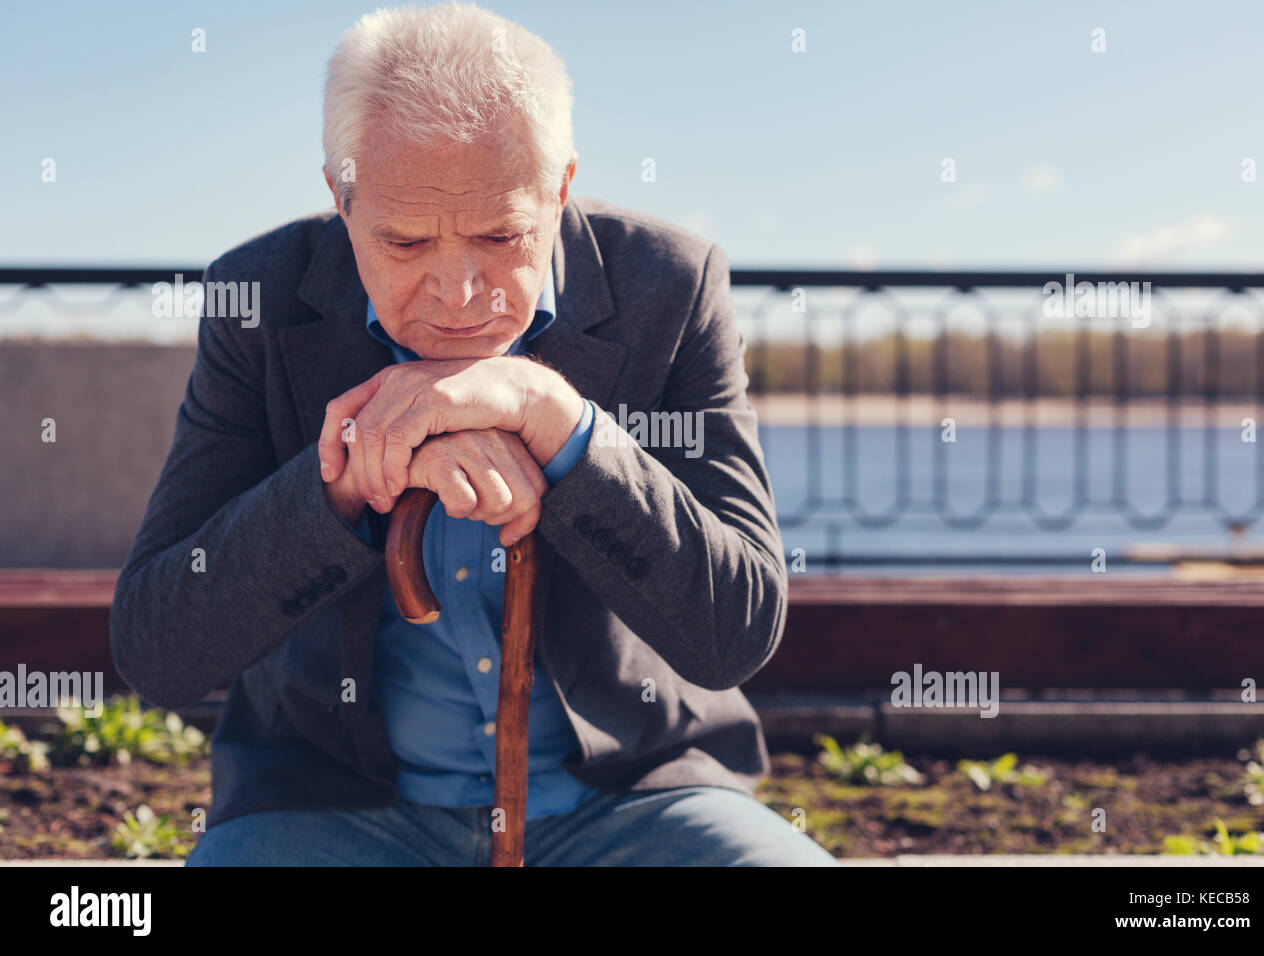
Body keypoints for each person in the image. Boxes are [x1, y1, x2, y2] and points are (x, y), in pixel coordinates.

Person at [110, 1, 838, 867]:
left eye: (502, 235)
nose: (458, 294)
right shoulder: (256, 300)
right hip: (332, 809)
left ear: (561, 187)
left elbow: (736, 628)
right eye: (407, 242)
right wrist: (340, 485)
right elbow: (157, 647)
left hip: (637, 797)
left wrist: (562, 425)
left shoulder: (671, 288)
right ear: (341, 198)